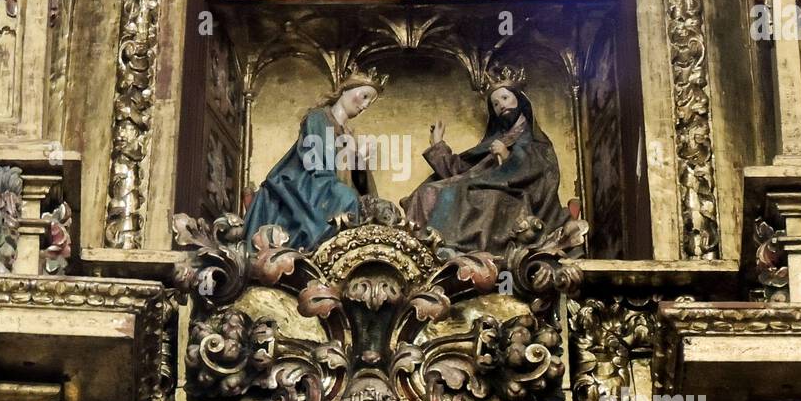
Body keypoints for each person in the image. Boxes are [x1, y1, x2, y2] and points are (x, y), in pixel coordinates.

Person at [401, 80, 566, 254]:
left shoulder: (535, 141)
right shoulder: (495, 140)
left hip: (515, 196)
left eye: (505, 98)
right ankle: (417, 249)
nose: (501, 105)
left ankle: (450, 246)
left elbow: (541, 173)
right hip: (476, 186)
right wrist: (438, 144)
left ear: (519, 99)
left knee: (489, 197)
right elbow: (465, 172)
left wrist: (506, 156)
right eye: (495, 104)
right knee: (427, 191)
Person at [242, 71, 383, 250]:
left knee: (365, 206)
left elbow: (357, 182)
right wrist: (352, 155)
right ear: (347, 89)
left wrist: (359, 160)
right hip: (305, 181)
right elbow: (318, 161)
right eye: (364, 97)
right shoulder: (318, 117)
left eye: (368, 104)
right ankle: (325, 248)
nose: (364, 106)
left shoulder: (348, 134)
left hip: (326, 183)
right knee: (346, 198)